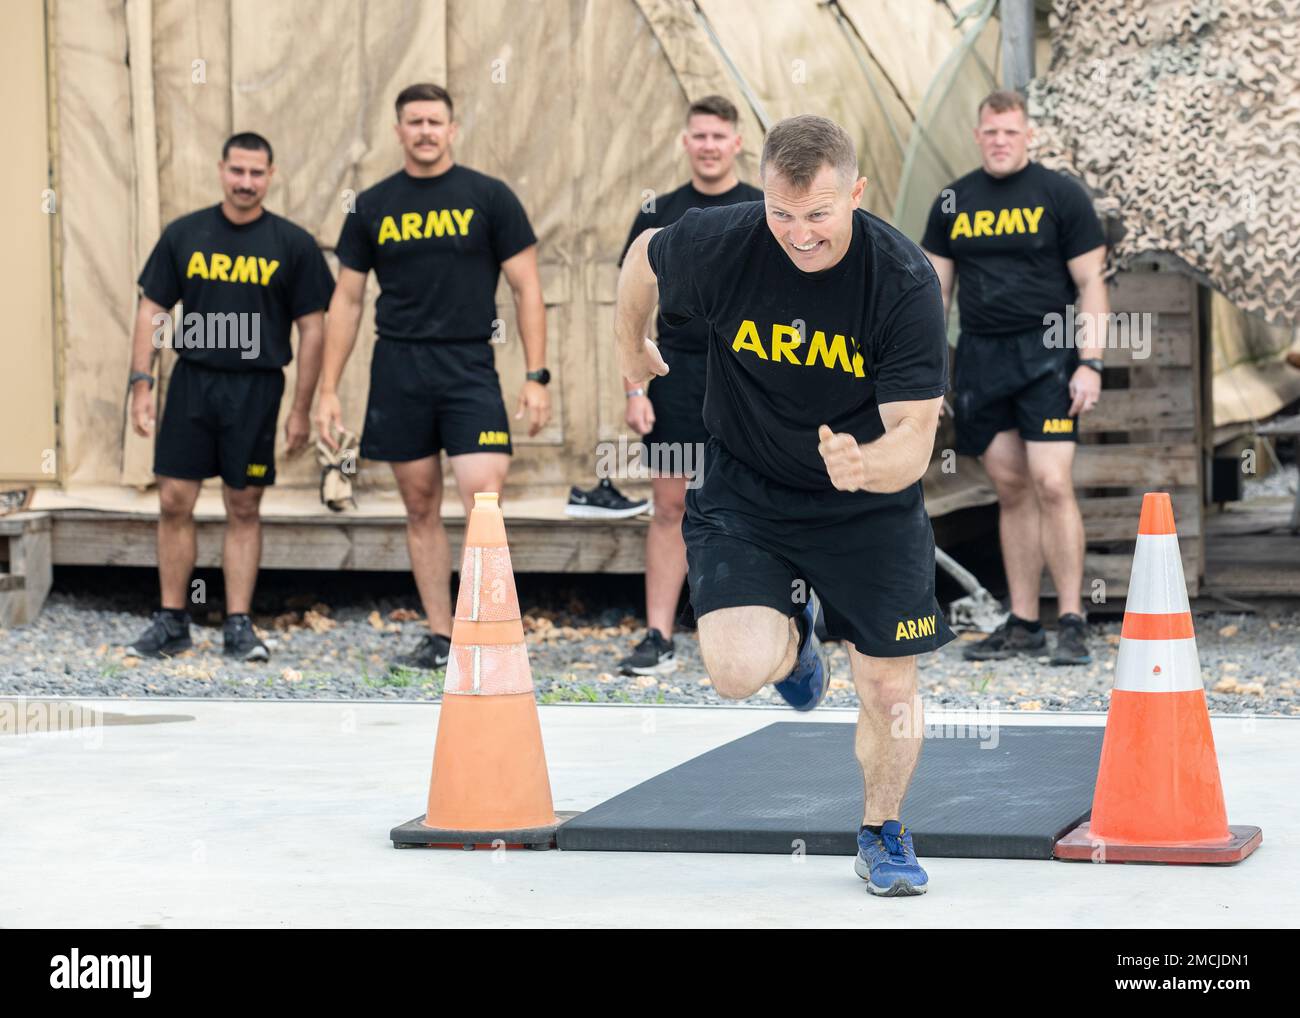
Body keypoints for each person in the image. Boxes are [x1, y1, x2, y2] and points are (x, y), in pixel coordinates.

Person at [617, 114, 951, 896]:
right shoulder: (723, 240)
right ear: (761, 193)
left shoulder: (902, 281)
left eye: (820, 214)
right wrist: (629, 351)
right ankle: (797, 646)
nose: (800, 235)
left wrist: (864, 463)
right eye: (783, 214)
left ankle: (884, 832)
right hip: (748, 488)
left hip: (868, 502)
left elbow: (914, 435)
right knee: (733, 672)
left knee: (888, 686)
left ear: (857, 193)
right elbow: (642, 258)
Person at [316, 83, 550, 671]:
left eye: (435, 121)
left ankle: (489, 628)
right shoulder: (371, 205)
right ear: (398, 131)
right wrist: (325, 389)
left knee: (482, 498)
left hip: (470, 365)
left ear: (452, 129)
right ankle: (442, 634)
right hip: (399, 367)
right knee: (419, 504)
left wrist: (537, 375)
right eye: (414, 121)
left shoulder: (489, 197)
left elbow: (528, 289)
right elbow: (345, 301)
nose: (424, 131)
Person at [126, 132, 334, 662]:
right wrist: (141, 382)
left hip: (257, 386)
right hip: (194, 380)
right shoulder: (185, 234)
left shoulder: (293, 244)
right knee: (174, 498)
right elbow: (152, 310)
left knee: (244, 504)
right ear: (221, 170)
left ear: (271, 175)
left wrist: (302, 408)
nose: (246, 183)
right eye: (237, 171)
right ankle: (173, 619)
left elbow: (314, 328)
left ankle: (238, 624)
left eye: (256, 173)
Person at [920, 89, 1108, 666]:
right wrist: (931, 376)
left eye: (1010, 131)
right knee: (1011, 489)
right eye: (990, 131)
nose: (1000, 140)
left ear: (1029, 136)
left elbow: (1092, 286)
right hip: (980, 361)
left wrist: (1090, 363)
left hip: (1047, 360)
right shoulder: (954, 200)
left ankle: (1071, 619)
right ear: (978, 136)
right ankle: (1024, 622)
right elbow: (936, 293)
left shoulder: (1060, 194)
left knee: (1052, 482)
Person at [616, 95, 762, 676]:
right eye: (698, 136)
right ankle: (657, 634)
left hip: (751, 378)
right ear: (685, 142)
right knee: (671, 504)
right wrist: (633, 388)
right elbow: (632, 306)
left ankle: (760, 629)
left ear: (737, 143)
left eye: (718, 136)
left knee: (756, 503)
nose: (708, 146)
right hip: (676, 374)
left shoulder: (763, 207)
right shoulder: (661, 211)